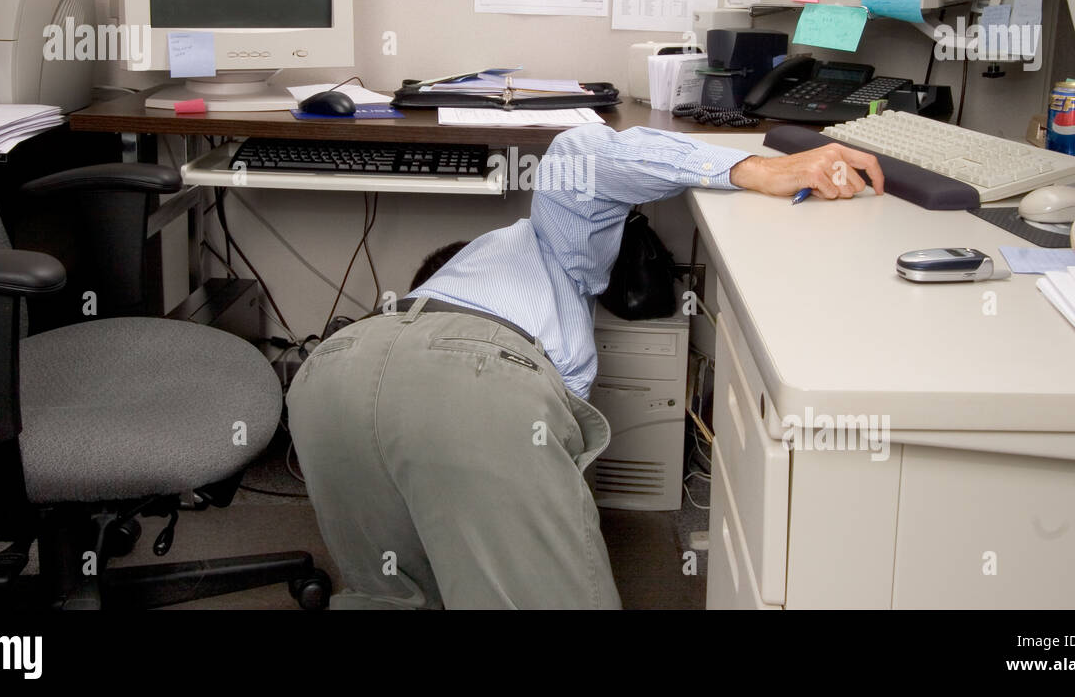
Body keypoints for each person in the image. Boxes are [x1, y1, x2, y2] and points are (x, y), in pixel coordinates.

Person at [286, 125, 883, 608]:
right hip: (469, 381)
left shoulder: (420, 305)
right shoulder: (542, 244)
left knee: (392, 593)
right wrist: (755, 168)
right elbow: (578, 150)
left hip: (331, 374)